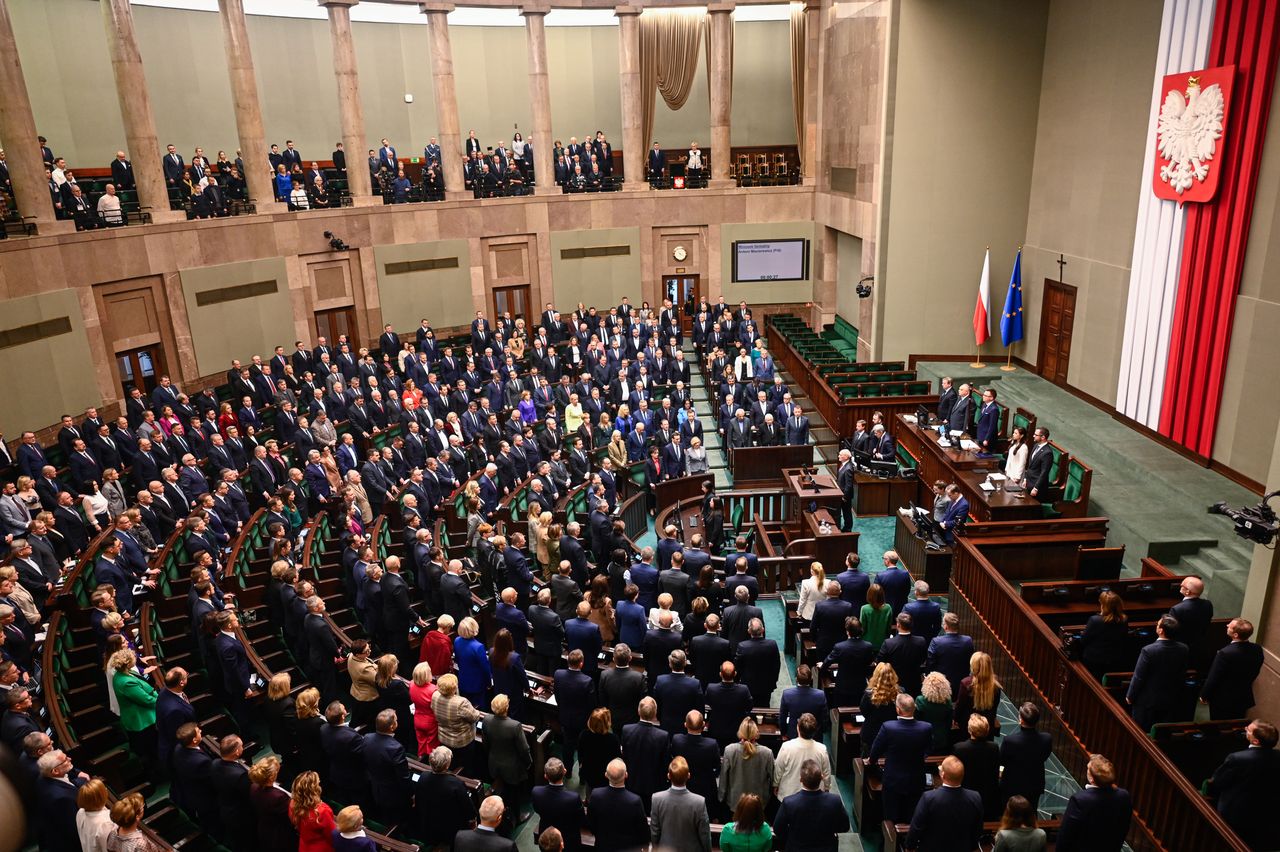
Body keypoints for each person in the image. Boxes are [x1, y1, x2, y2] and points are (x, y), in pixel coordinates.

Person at [1206, 719, 1280, 851]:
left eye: (1248, 730)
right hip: (1267, 813)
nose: (1245, 729)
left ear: (1255, 741)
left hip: (1235, 815)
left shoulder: (1237, 758)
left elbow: (1217, 782)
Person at [868, 694, 935, 823]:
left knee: (891, 816)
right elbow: (929, 749)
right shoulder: (926, 727)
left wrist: (871, 761)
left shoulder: (888, 727)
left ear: (898, 710)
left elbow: (875, 751)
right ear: (914, 708)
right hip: (916, 779)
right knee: (911, 815)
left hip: (893, 780)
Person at [904, 756, 983, 852]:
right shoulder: (975, 797)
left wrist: (909, 846)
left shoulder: (929, 798)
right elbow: (977, 829)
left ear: (943, 774)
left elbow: (916, 827)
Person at [1055, 754, 1132, 852]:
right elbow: (1124, 828)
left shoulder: (1080, 800)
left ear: (1091, 779)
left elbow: (1066, 835)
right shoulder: (1124, 796)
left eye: (1088, 768)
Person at [1125, 615, 1189, 731]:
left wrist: (1130, 696)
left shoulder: (1148, 650)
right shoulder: (1184, 649)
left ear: (1161, 631)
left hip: (1147, 701)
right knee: (1161, 732)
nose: (1156, 626)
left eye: (1158, 625)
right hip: (1170, 699)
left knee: (1140, 731)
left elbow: (1139, 677)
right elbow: (1181, 674)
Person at [773, 759, 849, 852]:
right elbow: (845, 826)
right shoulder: (834, 801)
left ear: (801, 779)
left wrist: (793, 837)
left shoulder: (789, 803)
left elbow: (778, 829)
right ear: (821, 778)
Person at [1201, 618, 1263, 720]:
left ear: (1235, 635)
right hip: (1243, 696)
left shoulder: (1225, 653)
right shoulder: (1257, 649)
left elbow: (1214, 677)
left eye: (1230, 626)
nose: (1227, 625)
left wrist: (1204, 695)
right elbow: (1255, 671)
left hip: (1222, 699)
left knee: (1219, 724)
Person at [649, 756, 712, 852]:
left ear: (669, 776)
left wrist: (655, 849)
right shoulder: (699, 802)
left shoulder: (657, 799)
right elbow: (704, 834)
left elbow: (655, 832)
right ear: (688, 776)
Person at [999, 702, 1053, 813]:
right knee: (1031, 811)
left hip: (1012, 784)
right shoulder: (1047, 739)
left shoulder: (1009, 740)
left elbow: (1002, 761)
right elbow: (1044, 756)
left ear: (1021, 720)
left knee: (1010, 811)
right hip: (1034, 784)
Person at [587, 759, 651, 852]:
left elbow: (591, 823)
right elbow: (643, 830)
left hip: (603, 846)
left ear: (606, 775)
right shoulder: (634, 801)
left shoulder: (596, 795)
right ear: (626, 775)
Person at [621, 696, 671, 811]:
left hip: (631, 784)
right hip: (653, 787)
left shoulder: (627, 730)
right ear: (655, 713)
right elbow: (665, 764)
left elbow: (624, 756)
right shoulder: (663, 736)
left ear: (638, 711)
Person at [487, 694, 532, 819]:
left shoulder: (486, 720)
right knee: (514, 793)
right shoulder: (514, 726)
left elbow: (486, 742)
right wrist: (528, 762)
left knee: (503, 789)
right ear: (507, 707)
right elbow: (524, 749)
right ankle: (517, 817)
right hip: (512, 767)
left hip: (494, 762)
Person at [553, 649, 596, 777]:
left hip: (565, 718)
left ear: (568, 661)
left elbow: (557, 696)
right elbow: (592, 705)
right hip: (582, 722)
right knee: (583, 748)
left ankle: (568, 772)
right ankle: (582, 776)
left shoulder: (558, 674)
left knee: (567, 747)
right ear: (581, 664)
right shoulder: (587, 681)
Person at [953, 714, 1001, 821]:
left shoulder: (959, 748)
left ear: (969, 730)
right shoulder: (994, 747)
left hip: (966, 792)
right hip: (988, 793)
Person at [532, 757, 584, 852]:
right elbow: (581, 819)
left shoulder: (536, 792)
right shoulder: (573, 798)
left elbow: (537, 809)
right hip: (568, 839)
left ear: (546, 776)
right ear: (564, 771)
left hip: (546, 833)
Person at [775, 713, 830, 800]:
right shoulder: (822, 749)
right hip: (815, 797)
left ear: (798, 728)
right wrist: (826, 788)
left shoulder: (786, 747)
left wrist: (775, 784)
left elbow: (778, 770)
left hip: (789, 795)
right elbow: (826, 774)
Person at [1076, 590, 1129, 681]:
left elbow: (1083, 640)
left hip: (1094, 660)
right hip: (1114, 659)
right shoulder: (1124, 620)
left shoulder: (1095, 620)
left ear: (1103, 606)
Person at [249, 756, 298, 851]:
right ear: (272, 777)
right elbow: (291, 816)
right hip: (281, 834)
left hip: (265, 829)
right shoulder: (278, 797)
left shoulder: (253, 787)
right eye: (277, 771)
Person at [877, 612, 928, 698]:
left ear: (898, 625)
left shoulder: (888, 643)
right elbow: (923, 659)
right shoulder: (921, 641)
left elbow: (880, 662)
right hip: (914, 682)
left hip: (894, 683)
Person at [859, 663, 901, 757]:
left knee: (868, 759)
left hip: (871, 734)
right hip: (891, 733)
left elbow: (864, 711)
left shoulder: (869, 694)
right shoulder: (900, 692)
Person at [954, 651, 1002, 734]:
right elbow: (994, 708)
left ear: (973, 666)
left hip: (968, 725)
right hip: (987, 725)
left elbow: (960, 706)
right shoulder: (996, 685)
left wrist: (955, 719)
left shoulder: (966, 683)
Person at [577, 706, 622, 792]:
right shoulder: (613, 739)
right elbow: (617, 758)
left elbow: (580, 754)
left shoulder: (584, 735)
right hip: (606, 775)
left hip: (589, 772)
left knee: (590, 792)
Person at [289, 771, 336, 852]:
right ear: (314, 789)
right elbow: (332, 836)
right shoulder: (323, 811)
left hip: (304, 847)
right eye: (318, 784)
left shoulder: (292, 804)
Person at [780, 665, 828, 741]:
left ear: (796, 679)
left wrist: (783, 733)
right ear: (811, 678)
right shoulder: (820, 695)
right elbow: (824, 719)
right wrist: (820, 731)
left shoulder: (787, 694)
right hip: (814, 735)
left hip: (794, 734)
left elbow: (782, 718)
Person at [915, 672, 954, 754]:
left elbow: (917, 721)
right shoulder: (948, 701)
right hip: (942, 738)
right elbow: (949, 723)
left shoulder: (920, 700)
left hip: (925, 737)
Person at [76, 777, 114, 852]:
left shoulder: (80, 812)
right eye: (104, 789)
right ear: (100, 797)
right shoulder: (107, 822)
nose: (106, 789)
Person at [409, 661, 439, 757]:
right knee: (431, 748)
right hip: (431, 722)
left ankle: (420, 760)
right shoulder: (433, 690)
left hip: (417, 719)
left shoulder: (411, 684)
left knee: (421, 745)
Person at [860, 583, 893, 650]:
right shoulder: (888, 608)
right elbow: (888, 628)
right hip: (883, 643)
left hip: (867, 643)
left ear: (869, 595)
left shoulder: (864, 609)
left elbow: (862, 629)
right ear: (882, 595)